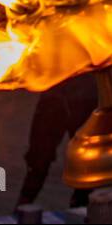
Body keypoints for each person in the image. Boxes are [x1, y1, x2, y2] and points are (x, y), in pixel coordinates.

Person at [16, 72, 99, 209]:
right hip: (55, 92)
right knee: (38, 158)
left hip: (85, 93)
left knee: (85, 162)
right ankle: (22, 208)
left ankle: (80, 209)